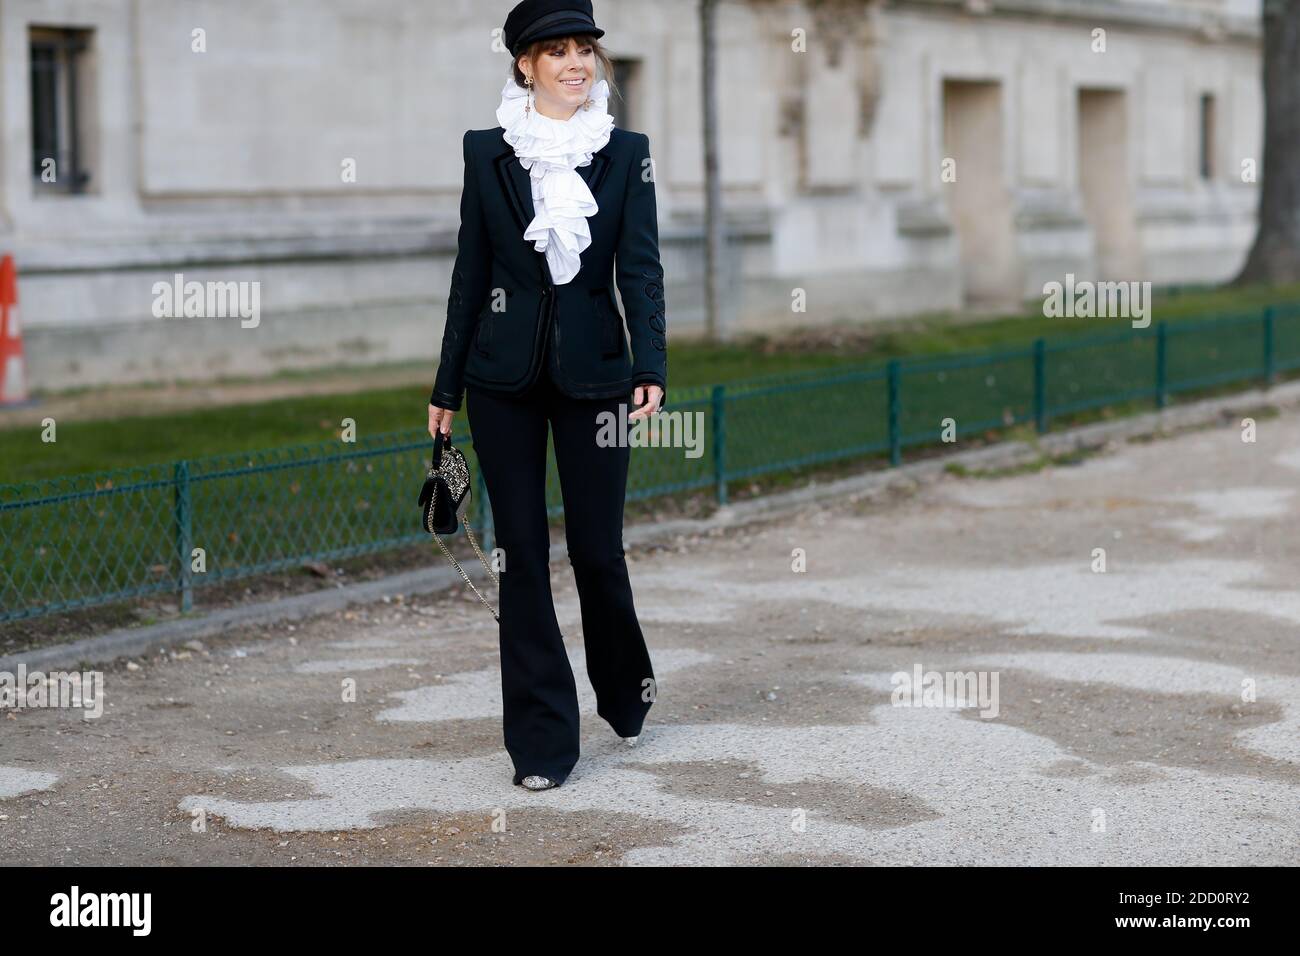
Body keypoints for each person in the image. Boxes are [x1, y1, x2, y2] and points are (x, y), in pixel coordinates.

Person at [426, 0, 666, 791]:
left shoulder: (626, 153)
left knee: (599, 550)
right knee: (519, 556)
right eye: (555, 51)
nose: (574, 63)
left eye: (584, 50)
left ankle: (627, 696)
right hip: (502, 382)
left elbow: (641, 268)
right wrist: (447, 385)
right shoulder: (486, 153)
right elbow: (470, 272)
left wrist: (650, 364)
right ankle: (541, 744)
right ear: (522, 63)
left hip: (598, 376)